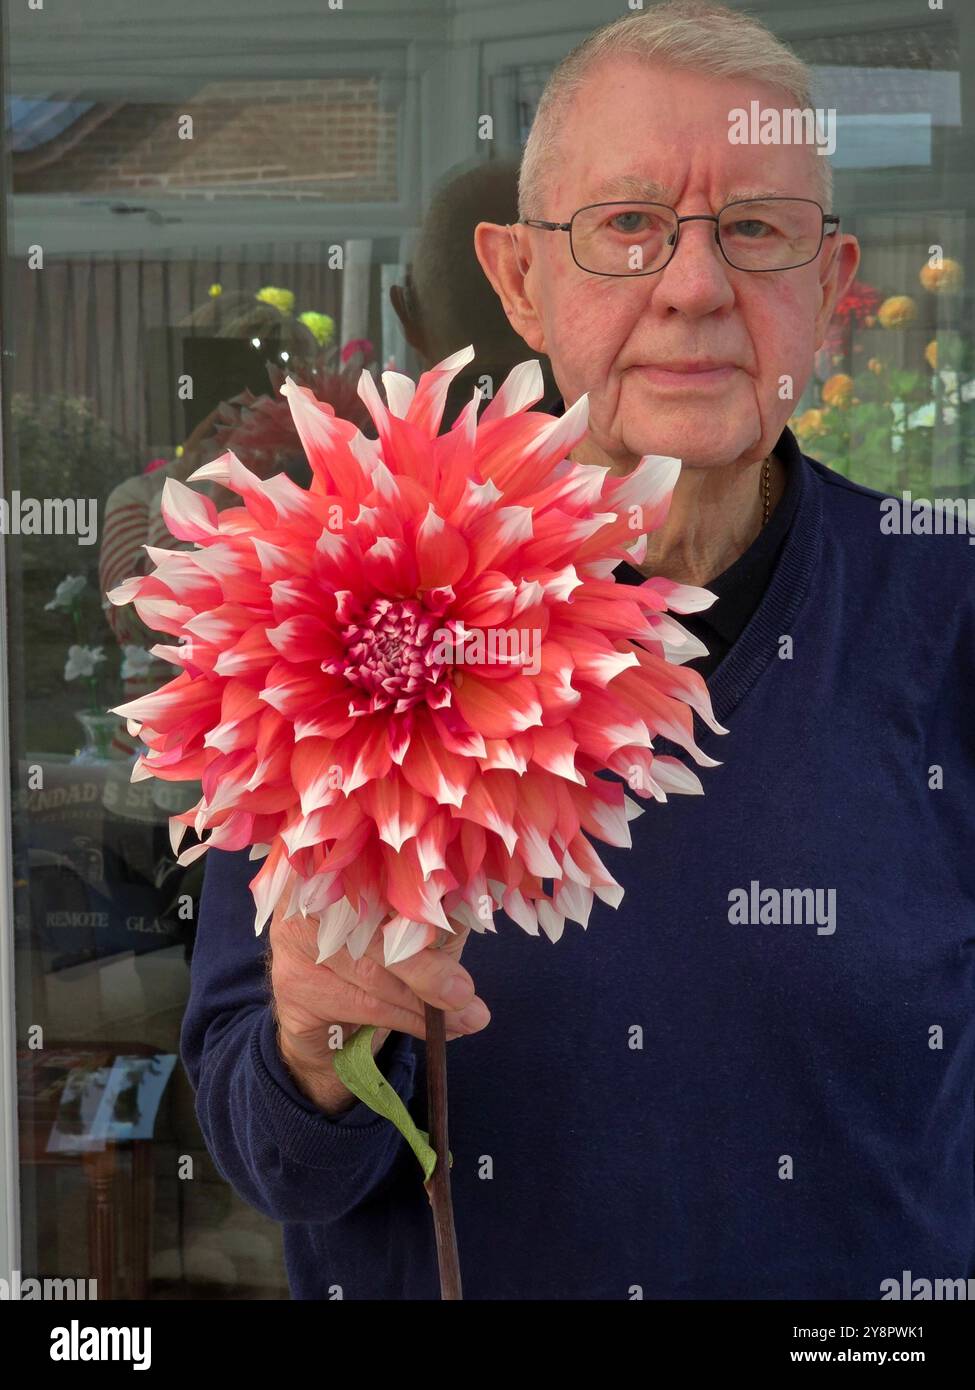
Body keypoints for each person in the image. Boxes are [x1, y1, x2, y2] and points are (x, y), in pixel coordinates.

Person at [180, 1, 975, 1299]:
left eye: (757, 229)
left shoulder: (947, 605)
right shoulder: (346, 594)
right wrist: (314, 1050)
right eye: (627, 225)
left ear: (829, 292)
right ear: (519, 281)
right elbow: (264, 1144)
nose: (697, 285)